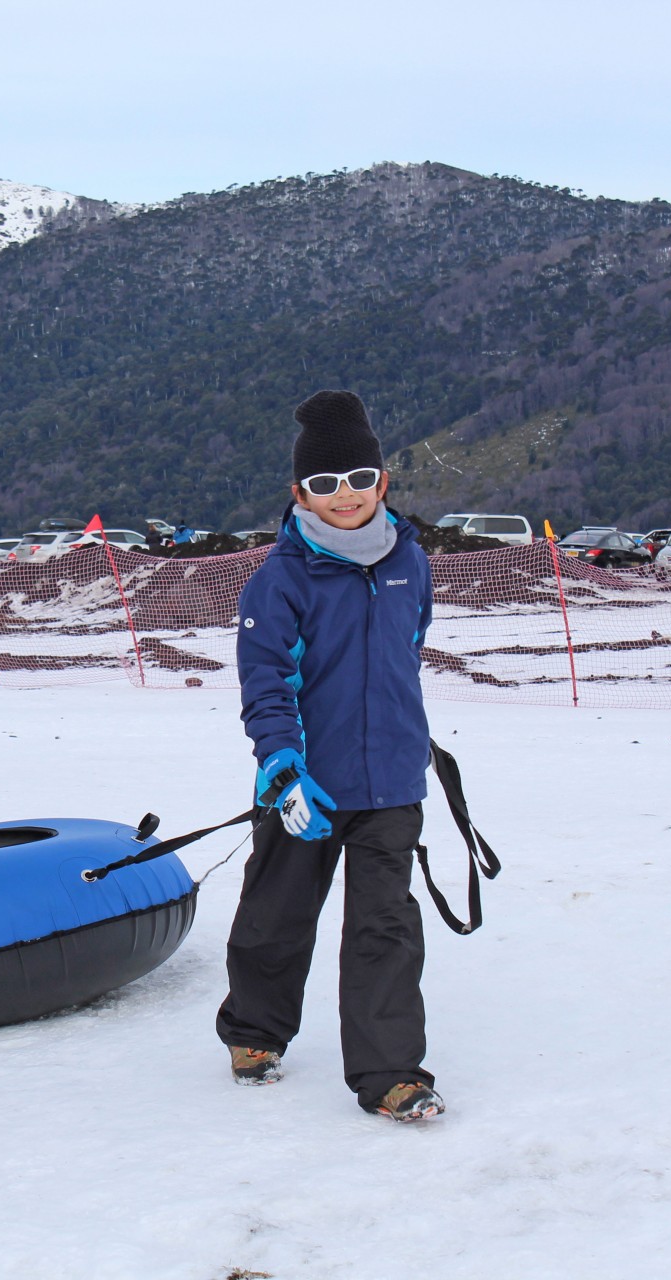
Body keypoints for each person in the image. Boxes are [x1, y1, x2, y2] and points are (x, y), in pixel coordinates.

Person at [217, 389, 443, 1123]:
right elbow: (267, 677)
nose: (342, 496)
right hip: (306, 787)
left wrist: (402, 739)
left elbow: (407, 656)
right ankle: (255, 1032)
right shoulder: (282, 578)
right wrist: (282, 760)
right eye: (322, 484)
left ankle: (390, 1075)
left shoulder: (410, 560)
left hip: (392, 785)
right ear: (298, 495)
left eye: (356, 479)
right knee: (277, 915)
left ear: (382, 481)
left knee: (385, 928)